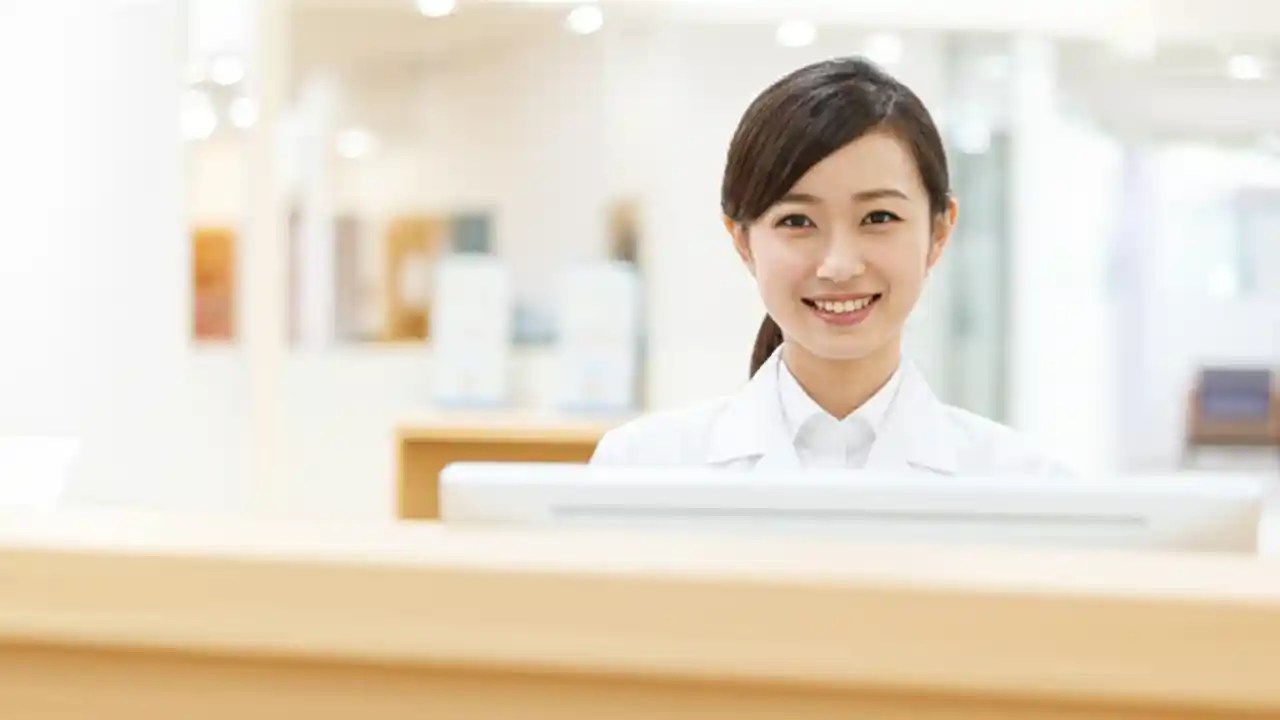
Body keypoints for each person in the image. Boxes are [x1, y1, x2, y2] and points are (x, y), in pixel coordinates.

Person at [591, 56, 1066, 476]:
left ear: (939, 232)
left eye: (879, 218)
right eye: (797, 221)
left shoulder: (1025, 485)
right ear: (742, 240)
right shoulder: (640, 469)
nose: (839, 266)